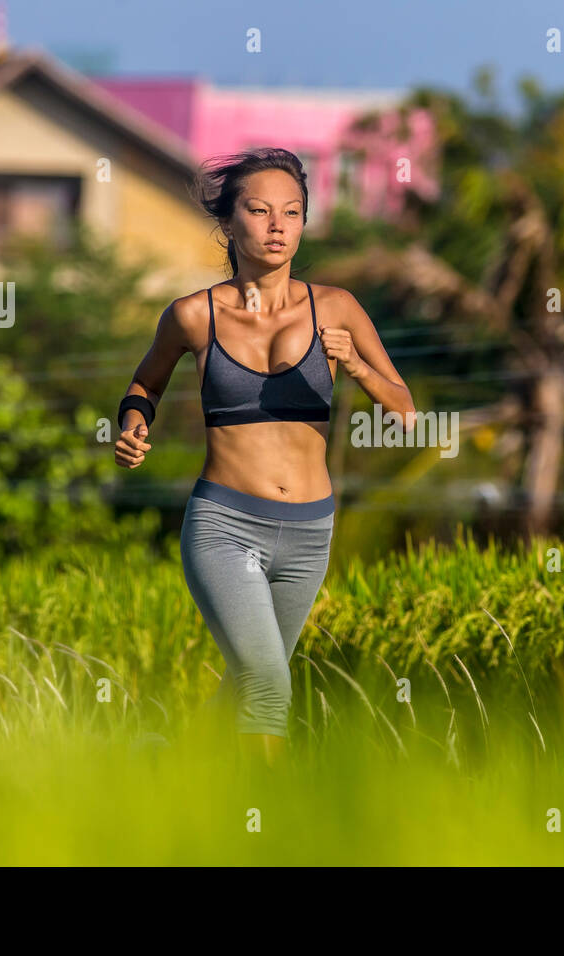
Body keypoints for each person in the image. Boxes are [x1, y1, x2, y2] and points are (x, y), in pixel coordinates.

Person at [114, 148, 415, 769]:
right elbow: (145, 382)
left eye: (293, 212)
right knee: (268, 685)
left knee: (252, 677)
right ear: (229, 223)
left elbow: (405, 411)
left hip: (310, 532)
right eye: (260, 210)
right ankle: (265, 823)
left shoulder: (336, 308)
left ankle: (169, 777)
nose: (278, 225)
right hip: (224, 526)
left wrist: (354, 364)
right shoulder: (194, 315)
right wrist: (133, 425)